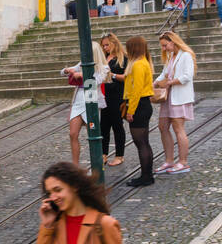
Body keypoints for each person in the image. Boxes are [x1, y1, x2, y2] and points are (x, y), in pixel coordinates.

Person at [154, 31, 196, 175]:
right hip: (168, 97)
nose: (164, 49)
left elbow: (187, 76)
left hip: (179, 97)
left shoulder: (186, 55)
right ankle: (169, 160)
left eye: (165, 45)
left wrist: (170, 82)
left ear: (173, 42)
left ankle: (183, 161)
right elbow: (164, 73)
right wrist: (155, 83)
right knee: (162, 126)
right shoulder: (171, 57)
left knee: (178, 128)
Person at [61, 43, 110, 169]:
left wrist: (83, 75)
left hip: (92, 99)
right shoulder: (82, 63)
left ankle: (97, 163)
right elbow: (64, 72)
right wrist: (68, 70)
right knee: (73, 133)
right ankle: (75, 166)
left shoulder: (104, 67)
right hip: (78, 100)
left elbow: (96, 81)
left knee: (93, 136)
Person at [123, 35, 155, 187]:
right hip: (144, 104)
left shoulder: (137, 65)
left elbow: (136, 90)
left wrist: (131, 110)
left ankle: (146, 176)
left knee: (141, 143)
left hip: (139, 105)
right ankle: (147, 175)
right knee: (144, 142)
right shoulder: (144, 62)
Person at [98, 33, 127, 167]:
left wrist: (112, 75)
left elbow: (127, 77)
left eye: (107, 45)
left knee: (117, 126)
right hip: (104, 95)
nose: (105, 48)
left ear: (114, 43)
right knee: (103, 125)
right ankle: (103, 154)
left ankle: (119, 155)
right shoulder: (103, 57)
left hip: (117, 95)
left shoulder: (123, 58)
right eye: (103, 45)